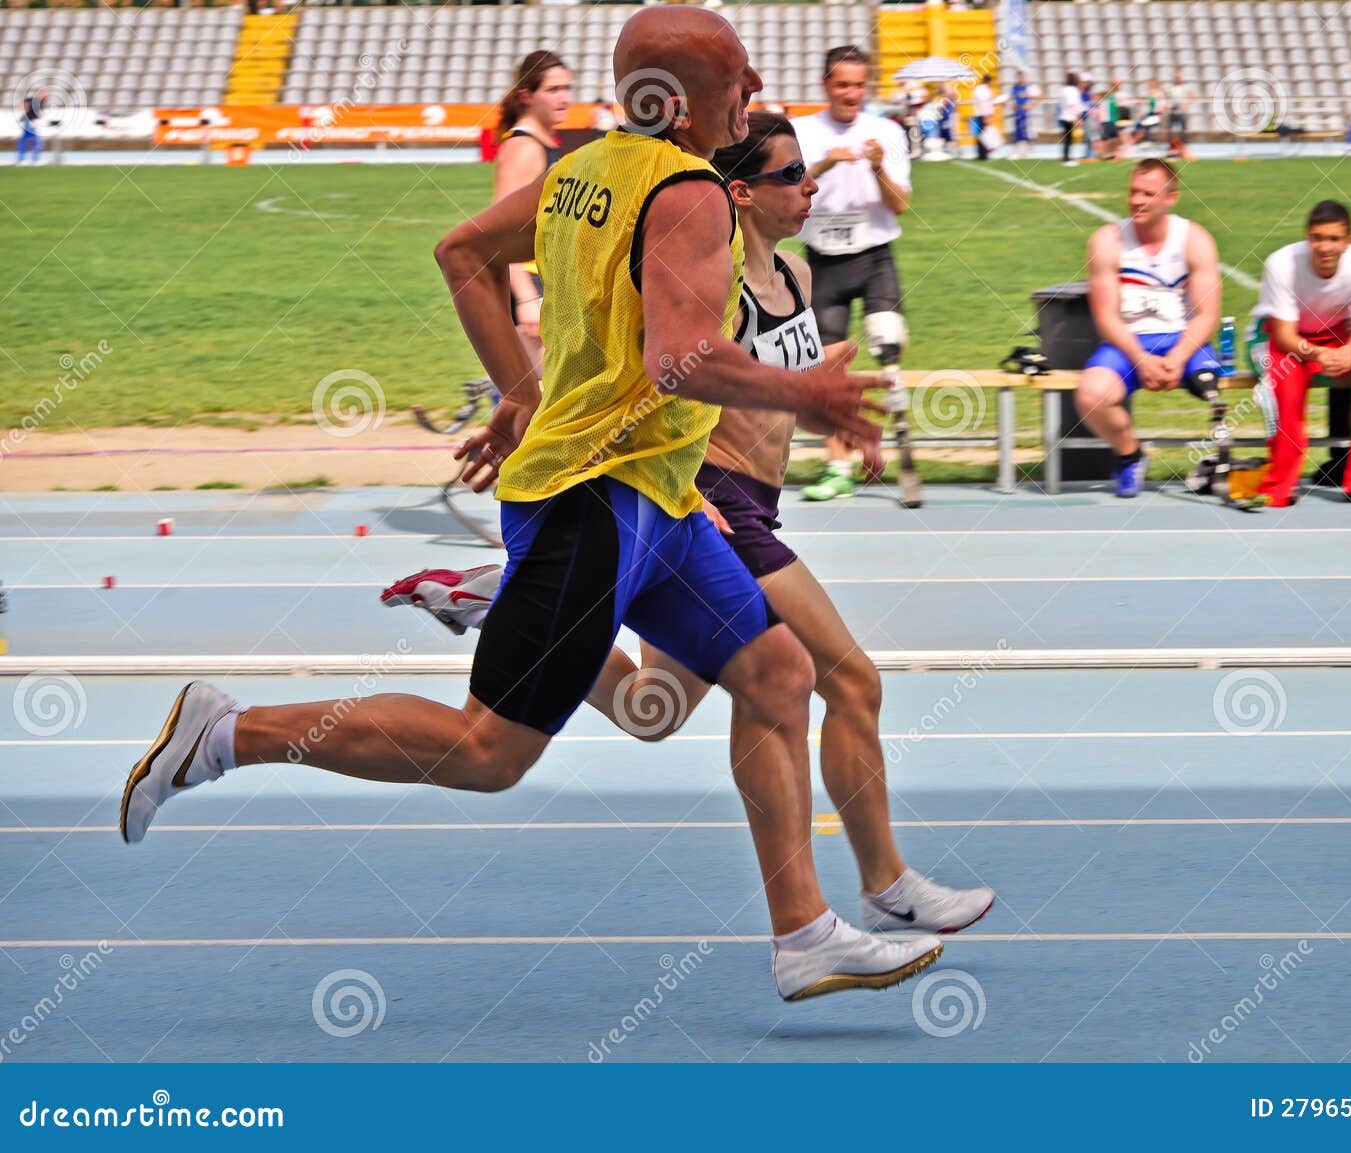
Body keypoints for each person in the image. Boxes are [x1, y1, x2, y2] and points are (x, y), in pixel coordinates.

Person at [119, 7, 944, 1004]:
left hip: (657, 498)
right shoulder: (687, 195)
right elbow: (676, 358)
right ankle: (227, 732)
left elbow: (459, 254)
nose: (751, 79)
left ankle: (804, 931)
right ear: (680, 97)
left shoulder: (586, 171)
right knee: (488, 752)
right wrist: (804, 393)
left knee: (776, 673)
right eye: (734, 69)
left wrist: (519, 387)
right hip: (586, 503)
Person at [384, 112, 995, 937]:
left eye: (808, 172)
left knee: (653, 709)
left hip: (755, 504)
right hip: (717, 503)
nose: (810, 186)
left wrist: (838, 421)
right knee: (848, 679)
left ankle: (510, 599)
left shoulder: (801, 278)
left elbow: (785, 396)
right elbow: (656, 379)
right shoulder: (713, 285)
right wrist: (668, 482)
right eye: (790, 175)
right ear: (739, 193)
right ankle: (884, 883)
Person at [791, 45, 913, 502]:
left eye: (859, 85)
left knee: (888, 350)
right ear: (826, 85)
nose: (851, 94)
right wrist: (823, 165)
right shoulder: (802, 131)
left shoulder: (886, 132)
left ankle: (897, 447)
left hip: (875, 256)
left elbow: (900, 205)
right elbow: (785, 194)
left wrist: (879, 166)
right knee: (828, 369)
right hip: (823, 260)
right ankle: (837, 465)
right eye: (843, 84)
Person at [1077, 159, 1224, 498]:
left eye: (1148, 193)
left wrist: (1177, 357)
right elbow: (1106, 317)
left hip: (1183, 339)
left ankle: (1223, 461)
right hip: (1128, 342)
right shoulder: (1107, 241)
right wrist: (1141, 359)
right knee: (1090, 395)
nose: (1137, 201)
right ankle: (1130, 455)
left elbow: (1206, 315)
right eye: (1133, 192)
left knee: (1212, 386)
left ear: (1170, 198)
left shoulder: (1195, 239)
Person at [1249, 200, 1351, 507]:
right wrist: (1318, 354)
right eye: (1318, 238)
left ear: (1350, 241)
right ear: (1308, 237)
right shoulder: (1281, 263)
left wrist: (1348, 353)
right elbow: (1283, 337)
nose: (1325, 246)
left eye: (1334, 239)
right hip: (1280, 338)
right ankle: (1281, 483)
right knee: (1287, 385)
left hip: (1336, 336)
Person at [495, 51, 572, 382]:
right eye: (553, 90)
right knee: (549, 399)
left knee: (548, 400)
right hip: (529, 284)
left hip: (548, 281)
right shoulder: (523, 148)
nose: (565, 98)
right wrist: (526, 297)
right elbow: (501, 231)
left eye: (567, 88)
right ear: (527, 95)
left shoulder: (542, 143)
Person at [1057, 71, 1084, 165]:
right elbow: (1072, 105)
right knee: (1069, 138)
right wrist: (1077, 118)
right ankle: (1067, 158)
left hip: (1064, 116)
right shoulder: (1072, 90)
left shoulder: (1064, 89)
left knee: (1067, 138)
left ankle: (1066, 156)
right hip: (1070, 117)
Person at [970, 72, 996, 161]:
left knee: (981, 135)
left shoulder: (980, 89)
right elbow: (983, 103)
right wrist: (987, 116)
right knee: (984, 136)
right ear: (988, 81)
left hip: (981, 114)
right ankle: (983, 155)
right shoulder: (983, 90)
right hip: (982, 115)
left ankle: (981, 154)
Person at [1010, 70, 1039, 153]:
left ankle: (1030, 150)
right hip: (1018, 113)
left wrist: (1031, 105)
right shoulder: (1014, 88)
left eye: (1021, 77)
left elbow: (1039, 96)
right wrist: (1012, 105)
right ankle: (1018, 150)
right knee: (1018, 132)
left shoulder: (1028, 88)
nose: (1020, 79)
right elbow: (1010, 99)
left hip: (1027, 114)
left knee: (1028, 132)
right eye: (1018, 77)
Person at [16, 87, 44, 165]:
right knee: (34, 140)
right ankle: (32, 159)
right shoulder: (31, 100)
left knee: (28, 140)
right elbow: (23, 106)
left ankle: (24, 159)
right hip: (29, 122)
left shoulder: (38, 101)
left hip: (32, 122)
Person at [1166, 71, 1192, 145]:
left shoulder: (1185, 87)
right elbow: (1167, 98)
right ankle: (1171, 143)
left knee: (1183, 128)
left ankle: (1184, 144)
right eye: (1175, 78)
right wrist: (1168, 105)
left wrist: (1186, 105)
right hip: (1172, 110)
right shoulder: (1170, 88)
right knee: (1170, 128)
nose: (1177, 79)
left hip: (1182, 110)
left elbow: (1192, 96)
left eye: (1178, 78)